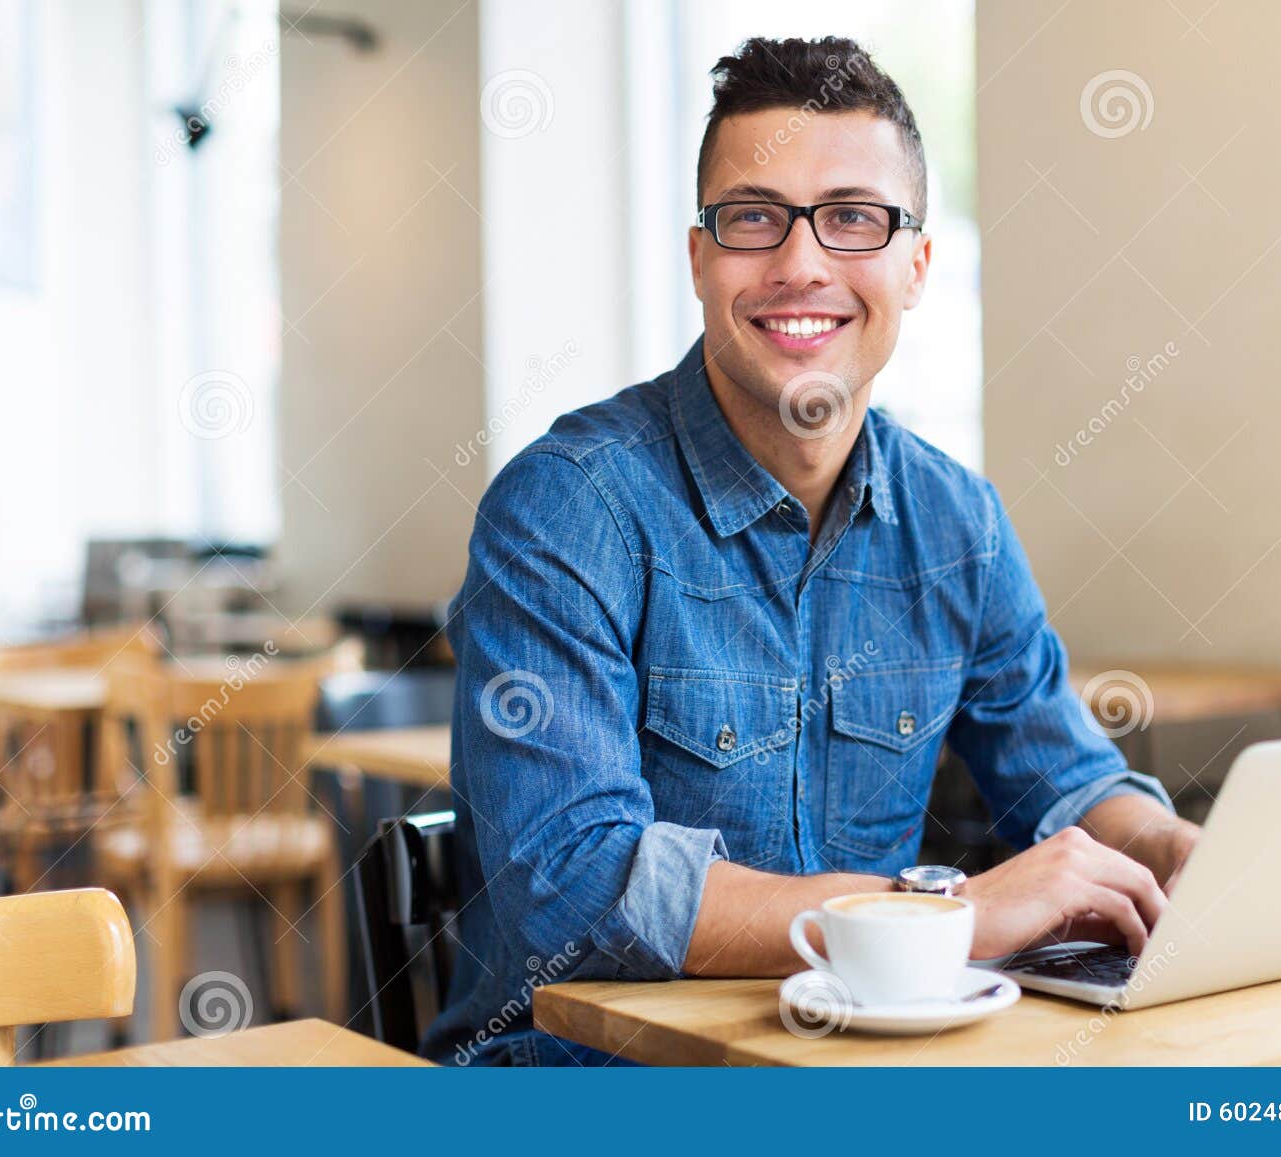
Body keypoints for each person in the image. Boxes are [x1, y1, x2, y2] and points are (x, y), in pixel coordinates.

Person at [422, 35, 1199, 1067]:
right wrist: (946, 912)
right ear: (700, 259)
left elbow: (1058, 780)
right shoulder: (568, 508)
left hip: (852, 1065)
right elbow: (574, 885)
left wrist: (1174, 855)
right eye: (754, 218)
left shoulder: (955, 519)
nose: (801, 264)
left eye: (853, 219)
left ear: (914, 265)